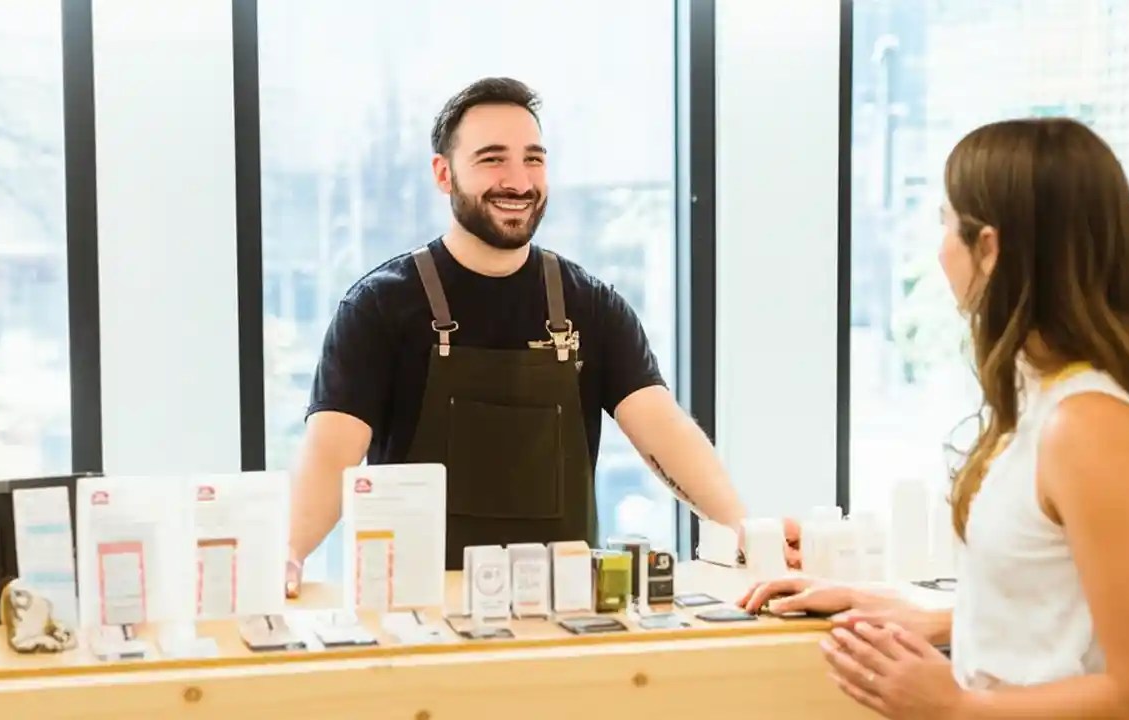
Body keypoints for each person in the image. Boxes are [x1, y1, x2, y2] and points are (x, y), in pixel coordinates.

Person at [740, 117, 1129, 718]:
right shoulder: (1049, 405)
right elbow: (1056, 609)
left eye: (944, 224)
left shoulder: (1091, 426)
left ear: (989, 247)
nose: (938, 251)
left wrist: (957, 707)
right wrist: (916, 616)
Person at [286, 77, 796, 589]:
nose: (519, 181)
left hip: (563, 612)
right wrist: (288, 554)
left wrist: (745, 531)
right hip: (420, 617)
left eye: (533, 159)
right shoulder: (379, 306)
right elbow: (332, 455)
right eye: (492, 159)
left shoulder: (589, 306)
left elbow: (663, 433)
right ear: (444, 174)